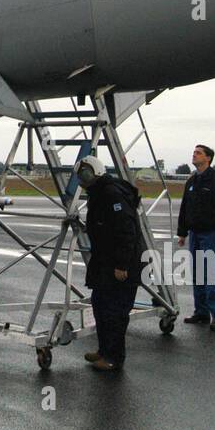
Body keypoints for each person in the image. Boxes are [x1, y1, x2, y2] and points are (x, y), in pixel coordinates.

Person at [77, 155, 143, 371]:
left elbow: (127, 231)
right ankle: (104, 350)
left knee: (115, 313)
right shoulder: (98, 193)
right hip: (104, 261)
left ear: (95, 172)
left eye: (85, 173)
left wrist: (122, 265)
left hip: (120, 264)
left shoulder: (112, 194)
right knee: (100, 306)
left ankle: (114, 357)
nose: (82, 178)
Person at [175, 144, 215, 331]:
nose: (194, 155)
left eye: (198, 153)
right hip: (195, 233)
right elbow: (185, 207)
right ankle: (201, 312)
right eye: (193, 152)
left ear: (208, 158)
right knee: (198, 273)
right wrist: (182, 232)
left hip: (211, 233)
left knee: (212, 274)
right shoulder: (192, 181)